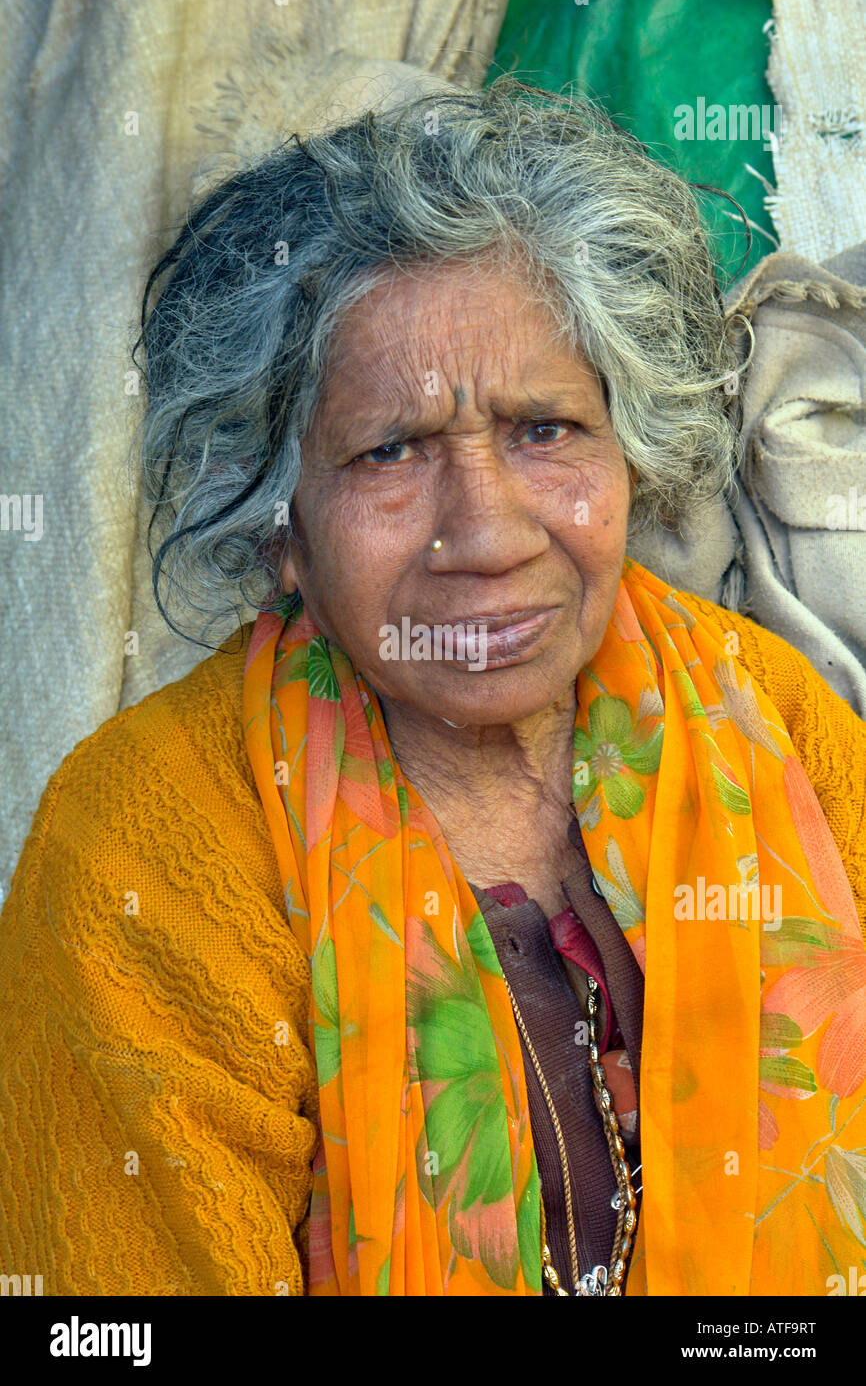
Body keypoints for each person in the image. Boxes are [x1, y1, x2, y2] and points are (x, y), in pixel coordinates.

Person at [2, 79, 865, 1297]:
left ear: (631, 454)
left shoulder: (761, 710)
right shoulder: (143, 846)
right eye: (387, 452)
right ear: (278, 525)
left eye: (543, 431)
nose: (486, 532)